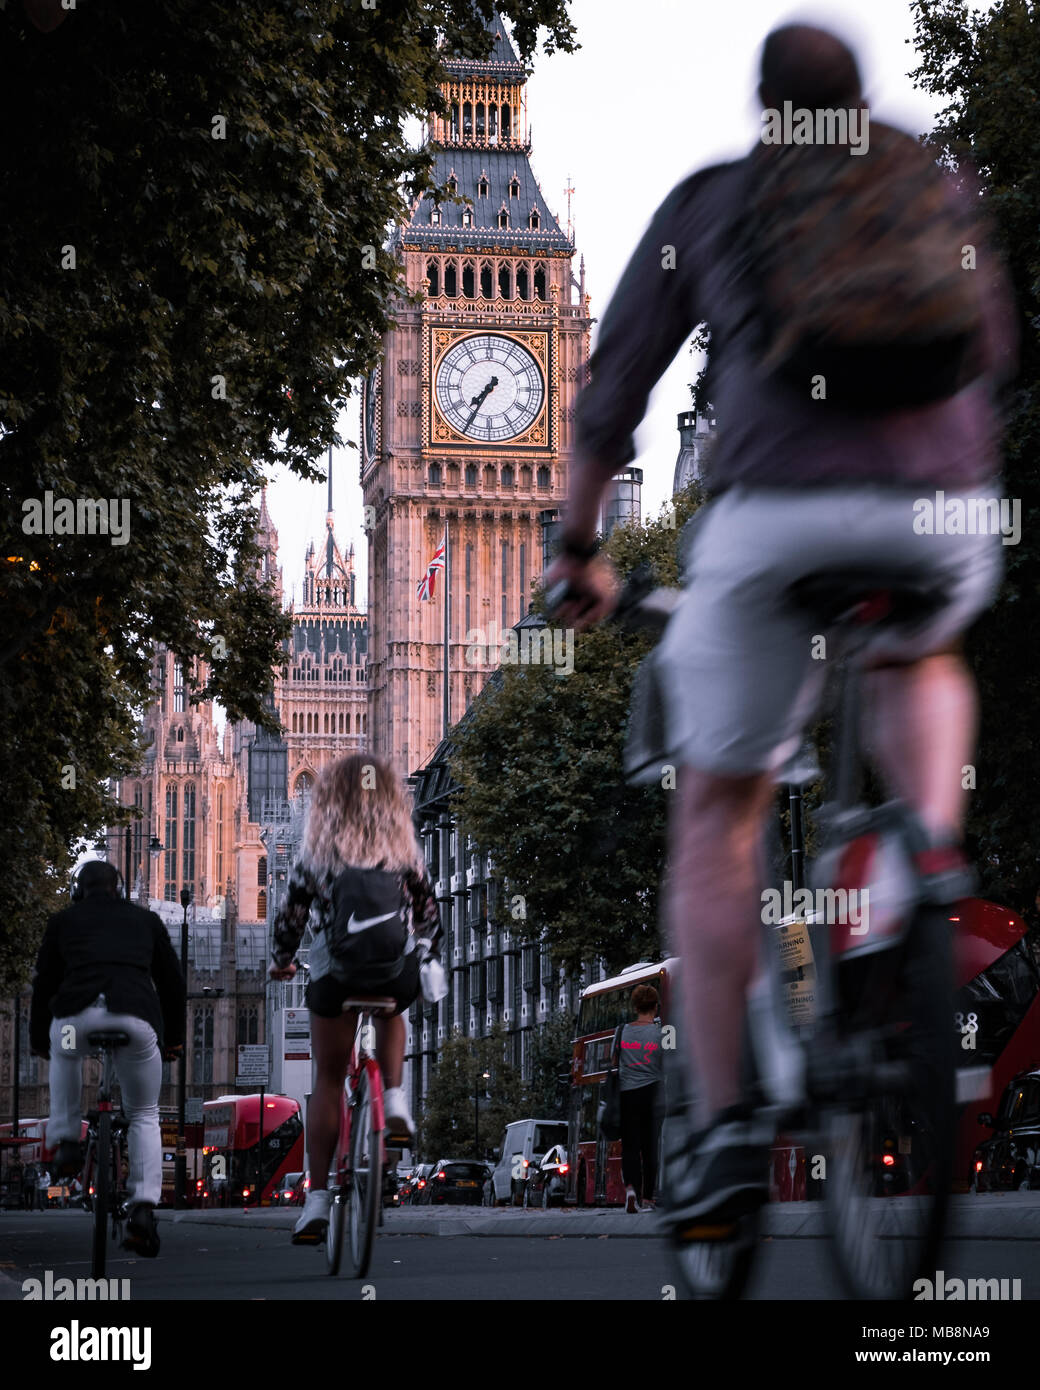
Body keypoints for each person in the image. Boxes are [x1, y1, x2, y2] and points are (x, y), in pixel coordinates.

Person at [545, 22, 1017, 1234]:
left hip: (769, 523)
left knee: (719, 809)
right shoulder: (929, 174)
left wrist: (578, 550)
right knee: (923, 648)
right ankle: (922, 851)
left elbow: (609, 397)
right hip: (941, 510)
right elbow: (991, 350)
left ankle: (725, 1133)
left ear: (764, 108)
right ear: (858, 99)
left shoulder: (717, 196)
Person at [269, 754, 443, 1244]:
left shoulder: (318, 854)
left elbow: (290, 920)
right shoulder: (402, 851)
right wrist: (427, 952)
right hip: (392, 971)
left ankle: (318, 1200)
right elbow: (429, 913)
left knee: (327, 1078)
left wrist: (282, 959)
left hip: (335, 974)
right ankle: (394, 1098)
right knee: (393, 1007)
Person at [29, 859, 185, 1256]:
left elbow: (44, 983)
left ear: (78, 892)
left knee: (63, 1049)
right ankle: (144, 1210)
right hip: (136, 1018)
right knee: (145, 1113)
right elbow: (171, 982)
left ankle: (65, 1139)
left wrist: (38, 1040)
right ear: (119, 890)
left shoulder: (62, 921)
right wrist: (175, 1040)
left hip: (75, 1017)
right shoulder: (146, 921)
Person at [618, 984, 663, 1213]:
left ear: (635, 1007)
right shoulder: (665, 1032)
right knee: (650, 1147)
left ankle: (630, 1191)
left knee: (630, 1147)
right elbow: (673, 1062)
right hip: (654, 1093)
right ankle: (648, 1197)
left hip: (627, 1094)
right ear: (655, 1007)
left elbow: (614, 1062)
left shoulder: (621, 1031)